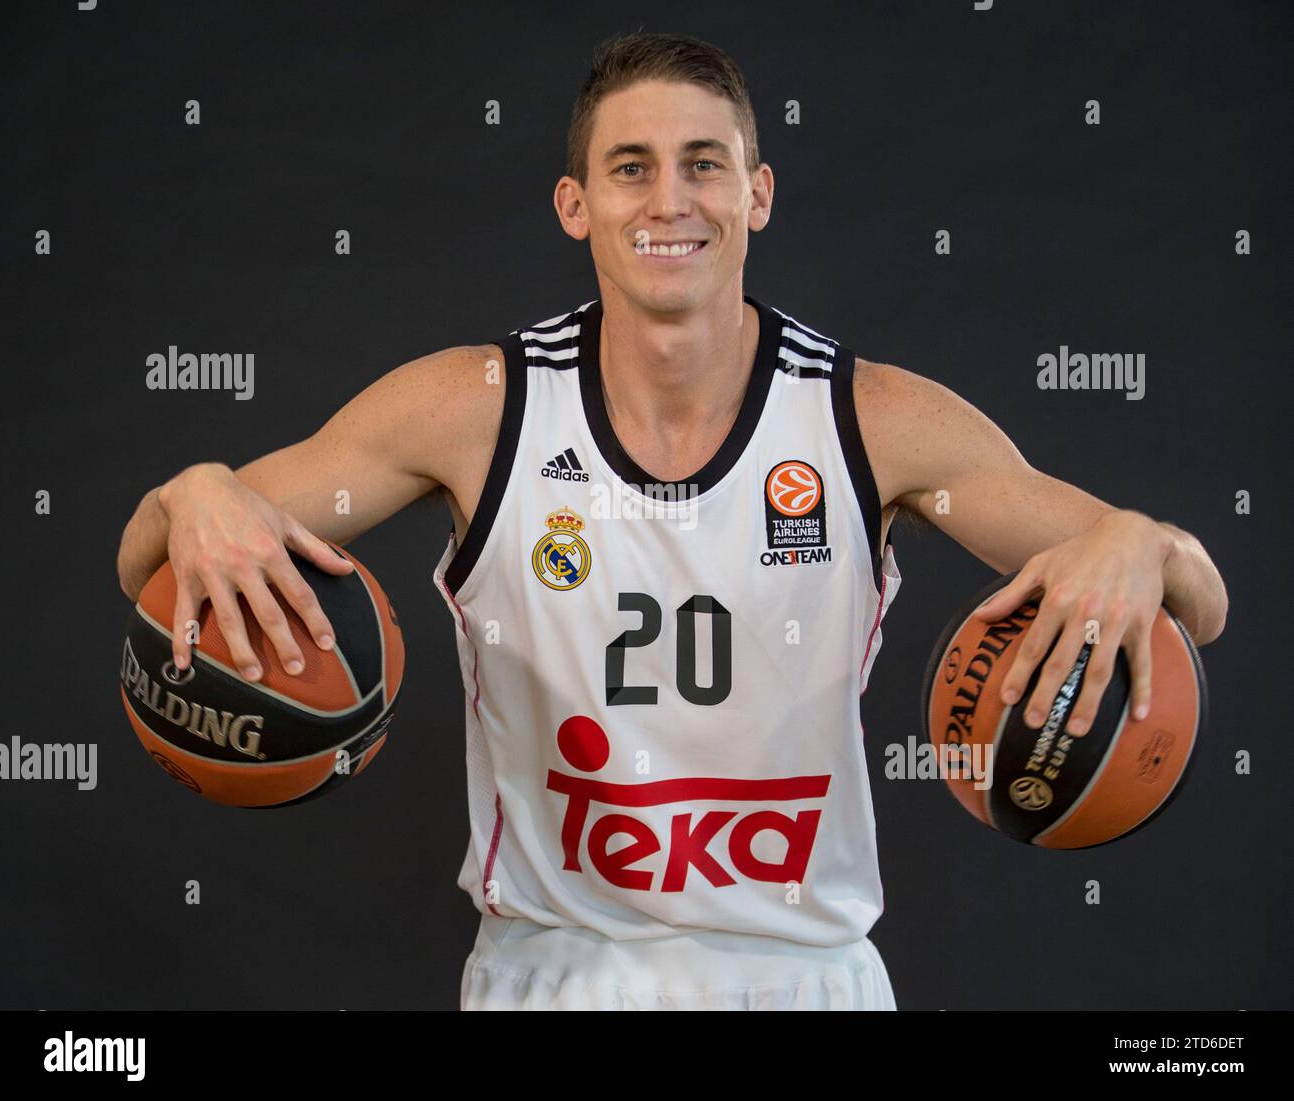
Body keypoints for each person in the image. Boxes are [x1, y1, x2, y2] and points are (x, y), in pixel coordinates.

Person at [117, 31, 1228, 1010]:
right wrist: (194, 491)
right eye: (630, 169)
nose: (668, 202)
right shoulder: (472, 409)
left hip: (806, 975)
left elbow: (1198, 599)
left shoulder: (873, 421)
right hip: (556, 973)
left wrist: (1141, 540)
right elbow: (149, 562)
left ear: (758, 193)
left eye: (705, 165)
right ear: (575, 203)